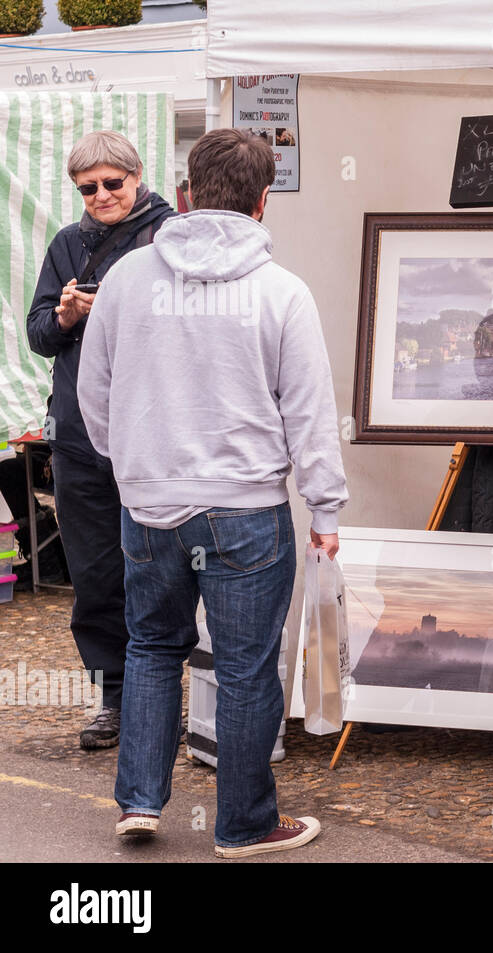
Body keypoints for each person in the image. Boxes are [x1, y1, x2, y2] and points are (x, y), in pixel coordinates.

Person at [77, 128, 348, 858]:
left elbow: (91, 392)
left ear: (187, 193)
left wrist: (132, 462)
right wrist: (325, 507)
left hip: (150, 503)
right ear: (264, 202)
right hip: (246, 507)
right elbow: (310, 411)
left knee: (152, 646)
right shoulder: (281, 290)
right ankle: (245, 823)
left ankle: (139, 799)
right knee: (245, 665)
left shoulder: (129, 280)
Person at [25, 131, 176, 749]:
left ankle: (162, 697)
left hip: (151, 433)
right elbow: (36, 333)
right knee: (94, 575)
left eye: (113, 183)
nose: (102, 196)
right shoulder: (68, 243)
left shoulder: (168, 236)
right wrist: (64, 316)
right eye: (89, 188)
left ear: (137, 177)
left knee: (162, 572)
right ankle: (114, 700)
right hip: (81, 439)